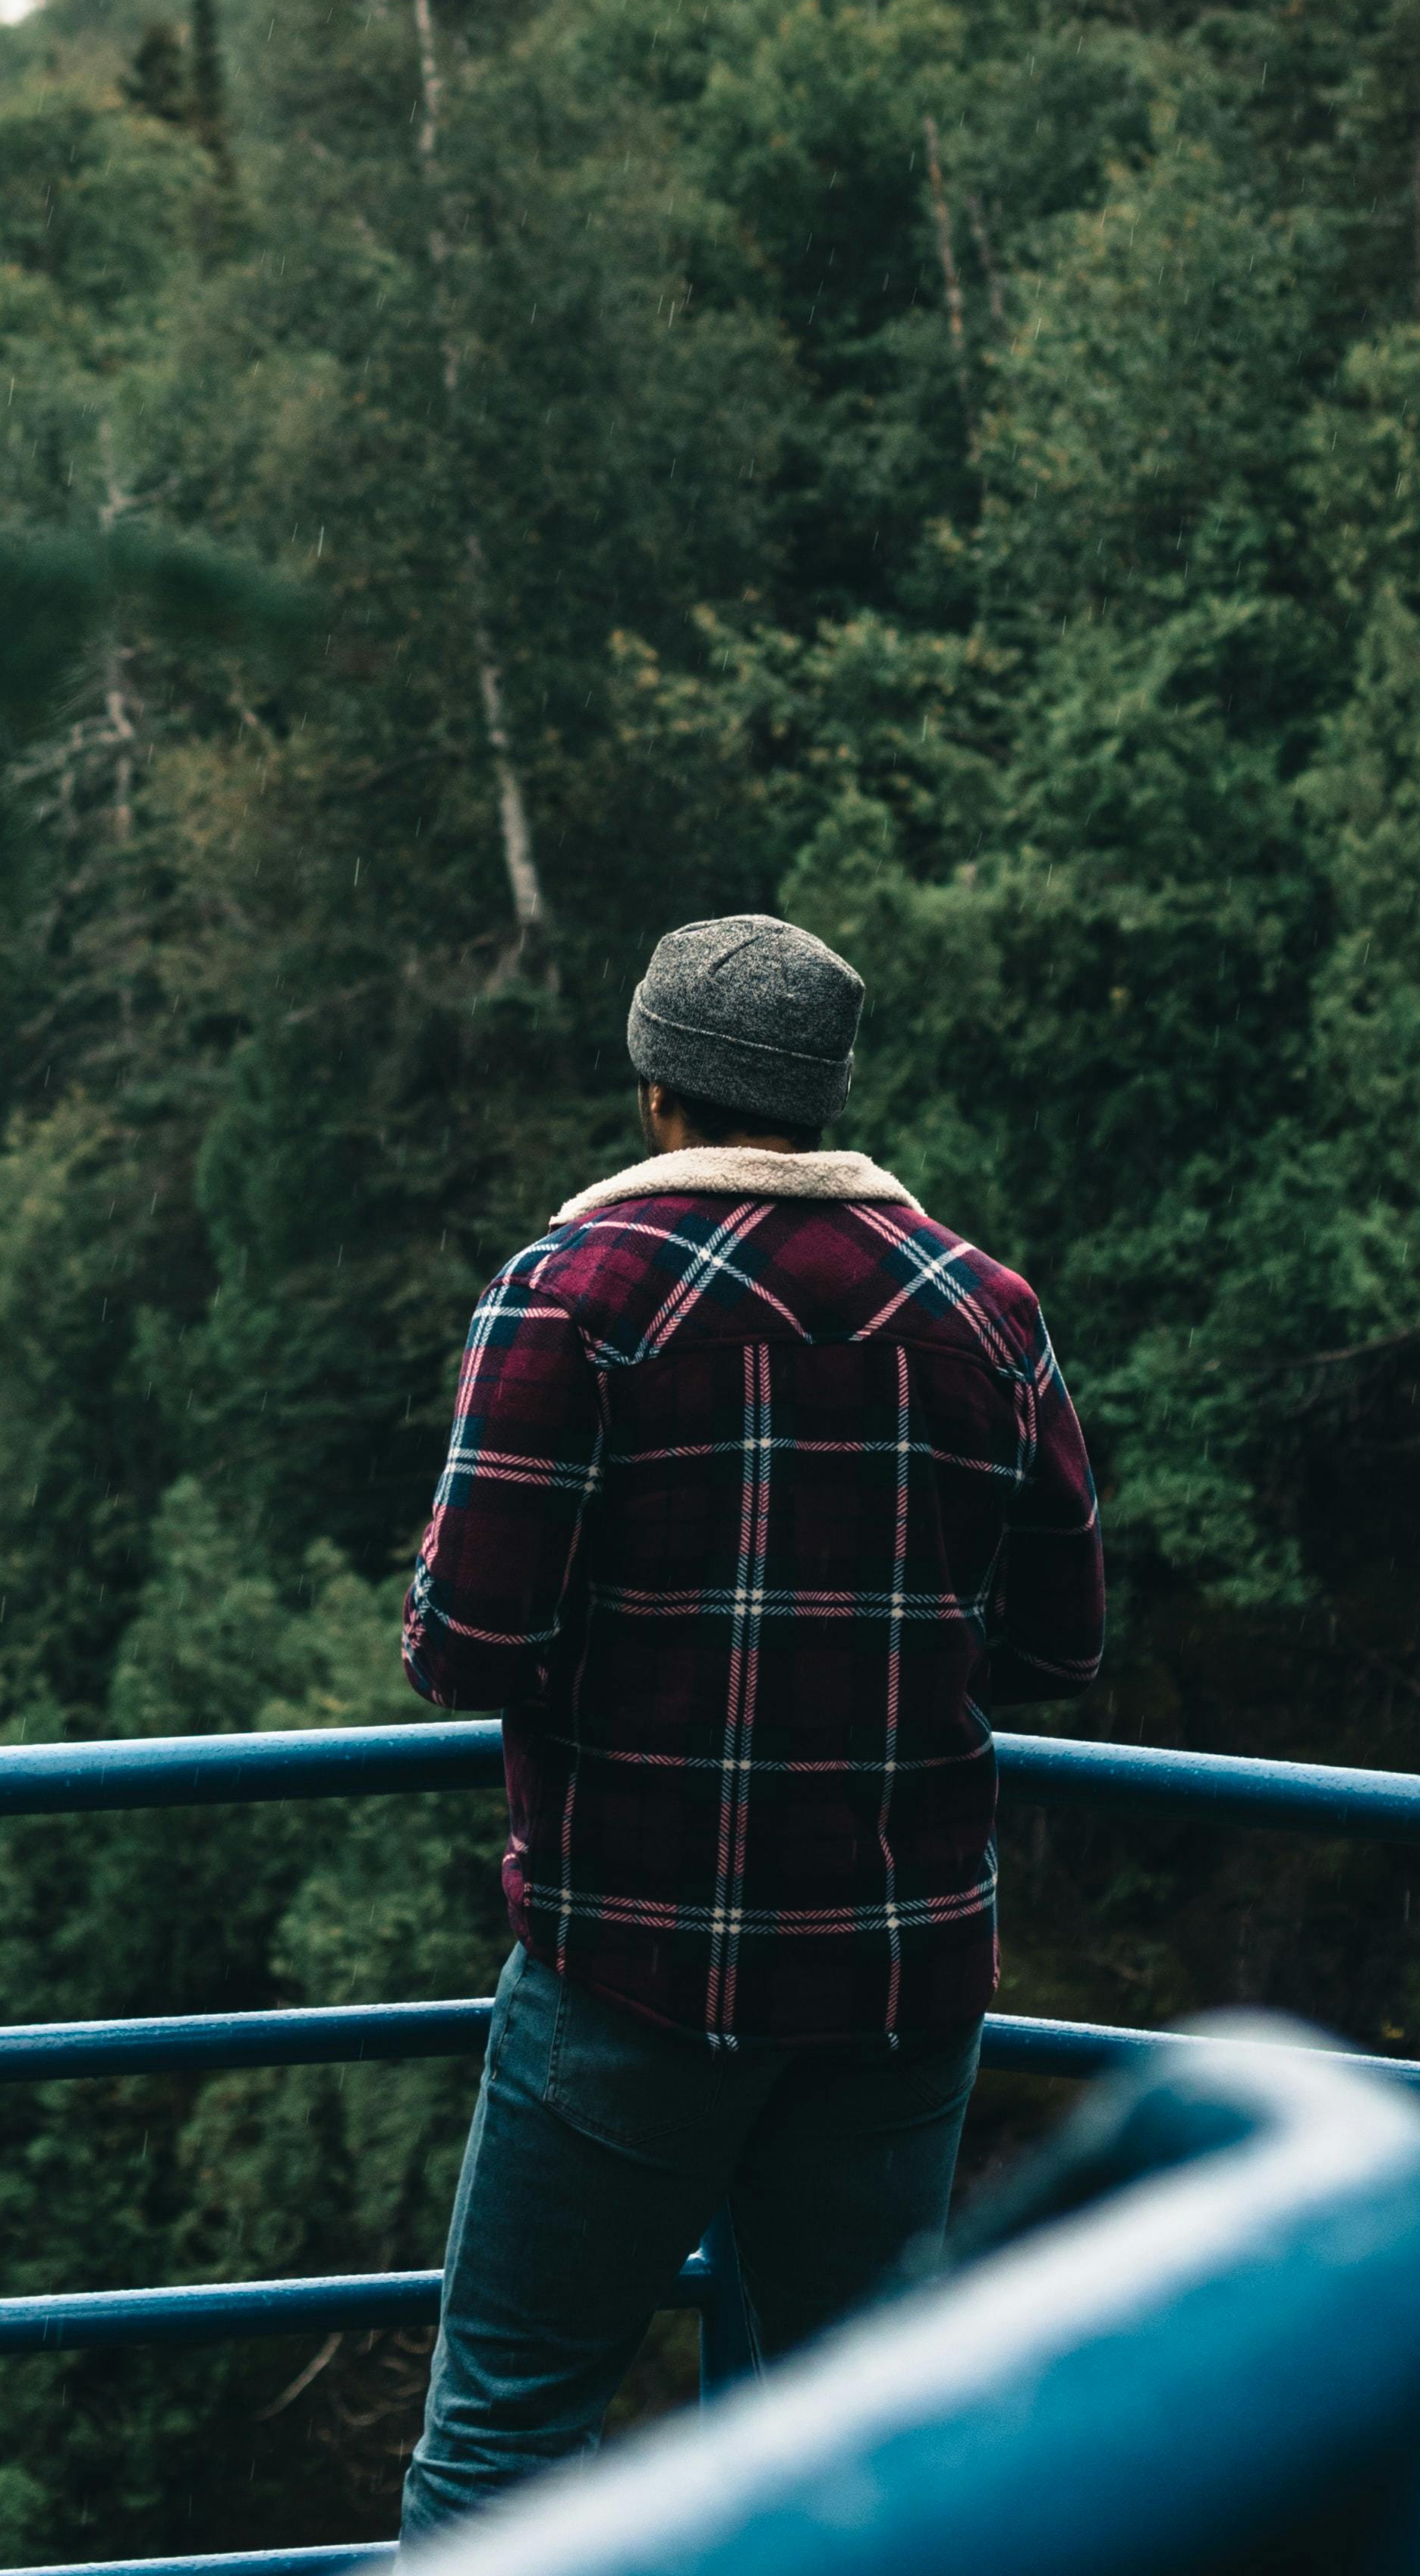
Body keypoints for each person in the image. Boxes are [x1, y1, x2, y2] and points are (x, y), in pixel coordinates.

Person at [394, 913, 1104, 2534]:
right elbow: (1061, 1643)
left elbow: (462, 1645)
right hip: (894, 1988)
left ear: (658, 1096)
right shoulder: (986, 1312)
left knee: (507, 2432)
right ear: (827, 1101)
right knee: (857, 2453)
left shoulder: (568, 1298)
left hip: (628, 1976)